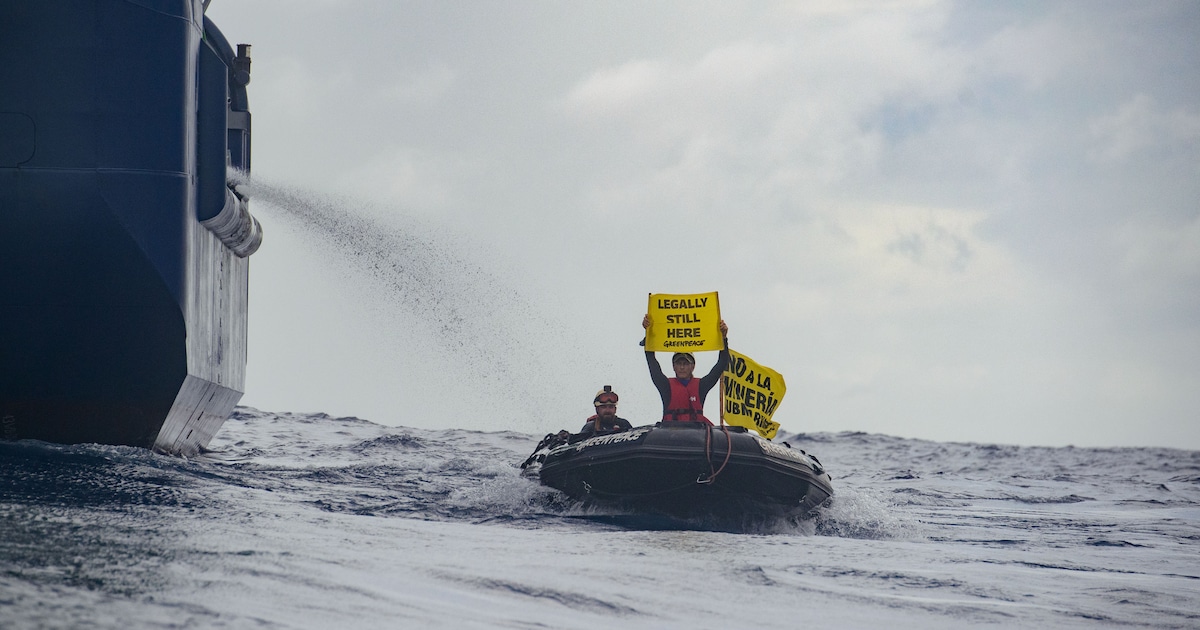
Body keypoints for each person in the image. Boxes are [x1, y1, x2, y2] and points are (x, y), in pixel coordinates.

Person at [642, 314, 729, 425]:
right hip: (671, 432)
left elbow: (722, 363)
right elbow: (652, 362)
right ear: (673, 366)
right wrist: (648, 332)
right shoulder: (665, 385)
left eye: (686, 363)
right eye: (679, 363)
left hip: (697, 432)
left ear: (693, 366)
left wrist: (723, 338)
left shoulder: (701, 386)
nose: (682, 367)